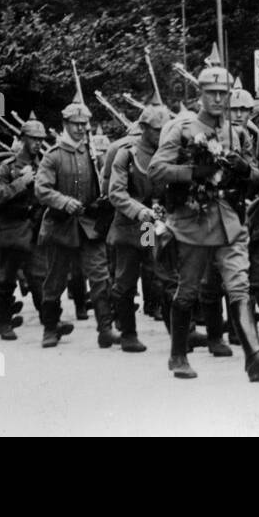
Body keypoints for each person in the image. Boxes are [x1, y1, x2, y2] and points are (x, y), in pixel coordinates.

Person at [149, 59, 259, 381]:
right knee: (189, 290)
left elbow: (255, 173)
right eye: (212, 93)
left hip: (230, 221)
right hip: (193, 222)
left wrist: (243, 169)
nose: (220, 99)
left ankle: (254, 357)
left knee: (239, 285)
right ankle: (178, 355)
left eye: (224, 93)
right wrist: (194, 172)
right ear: (200, 94)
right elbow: (156, 170)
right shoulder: (180, 129)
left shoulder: (236, 132)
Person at [35, 84, 117, 349]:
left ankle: (106, 329)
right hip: (61, 227)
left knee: (100, 275)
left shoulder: (91, 155)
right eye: (75, 124)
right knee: (55, 280)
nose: (81, 128)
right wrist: (63, 202)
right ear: (65, 124)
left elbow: (101, 187)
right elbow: (42, 189)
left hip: (88, 227)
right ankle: (50, 328)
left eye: (84, 124)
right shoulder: (53, 156)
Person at [0, 114, 69, 342]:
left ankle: (51, 326)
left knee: (40, 278)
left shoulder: (43, 165)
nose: (37, 143)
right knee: (5, 279)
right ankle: (4, 324)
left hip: (34, 229)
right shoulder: (7, 167)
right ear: (22, 139)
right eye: (33, 139)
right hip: (11, 229)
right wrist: (19, 183)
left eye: (40, 139)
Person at [107, 99, 171, 353]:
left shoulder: (167, 153)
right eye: (157, 129)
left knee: (162, 277)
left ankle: (180, 333)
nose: (161, 134)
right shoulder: (127, 154)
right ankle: (128, 333)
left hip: (151, 227)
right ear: (143, 128)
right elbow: (116, 193)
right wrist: (140, 211)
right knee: (125, 280)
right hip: (131, 225)